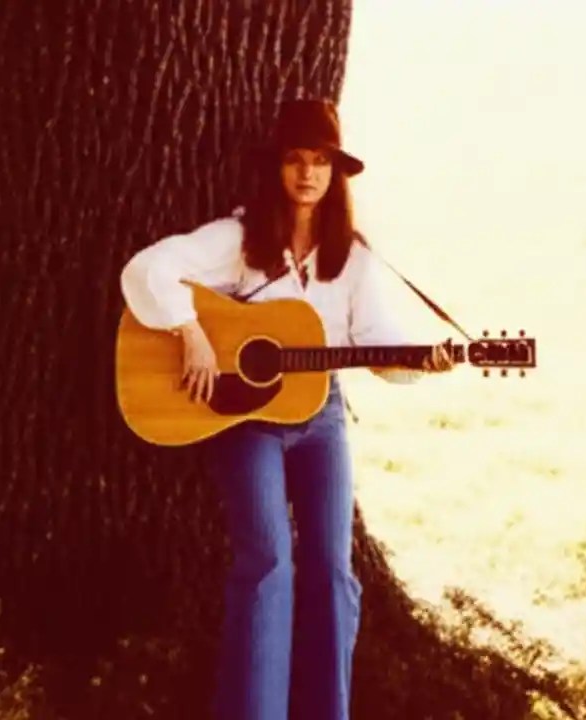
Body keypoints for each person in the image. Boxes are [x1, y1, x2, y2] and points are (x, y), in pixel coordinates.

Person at [119, 98, 455, 720]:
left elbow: (375, 345)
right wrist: (189, 329)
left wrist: (427, 359)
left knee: (331, 570)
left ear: (335, 173)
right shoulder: (240, 239)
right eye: (296, 160)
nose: (307, 173)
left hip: (322, 418)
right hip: (247, 422)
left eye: (320, 162)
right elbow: (148, 269)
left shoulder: (351, 256)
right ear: (276, 168)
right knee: (269, 562)